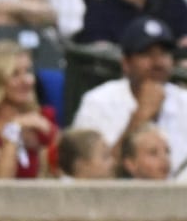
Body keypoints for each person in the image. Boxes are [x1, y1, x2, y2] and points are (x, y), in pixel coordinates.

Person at [71, 16, 187, 181]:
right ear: (126, 63)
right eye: (147, 54)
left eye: (164, 53)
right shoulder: (97, 102)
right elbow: (92, 175)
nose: (158, 62)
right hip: (117, 201)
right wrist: (140, 115)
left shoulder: (184, 101)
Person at [0, 40, 57, 179]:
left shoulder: (41, 121)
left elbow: (67, 173)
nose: (26, 80)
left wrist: (51, 137)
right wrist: (14, 129)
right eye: (15, 74)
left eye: (28, 71)